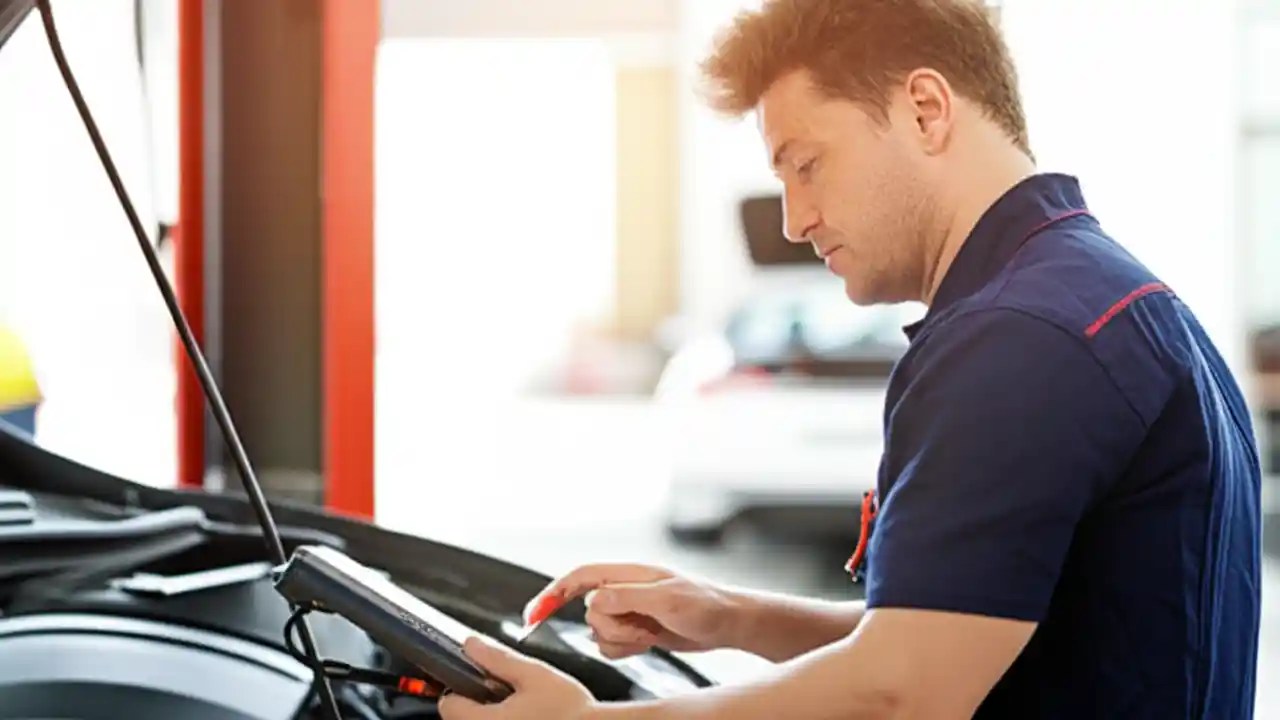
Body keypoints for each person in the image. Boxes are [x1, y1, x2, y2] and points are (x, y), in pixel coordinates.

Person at [438, 0, 1263, 717]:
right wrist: (724, 612)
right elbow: (946, 636)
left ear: (926, 109)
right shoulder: (1103, 298)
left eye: (807, 165)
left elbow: (900, 693)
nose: (794, 220)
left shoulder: (1018, 336)